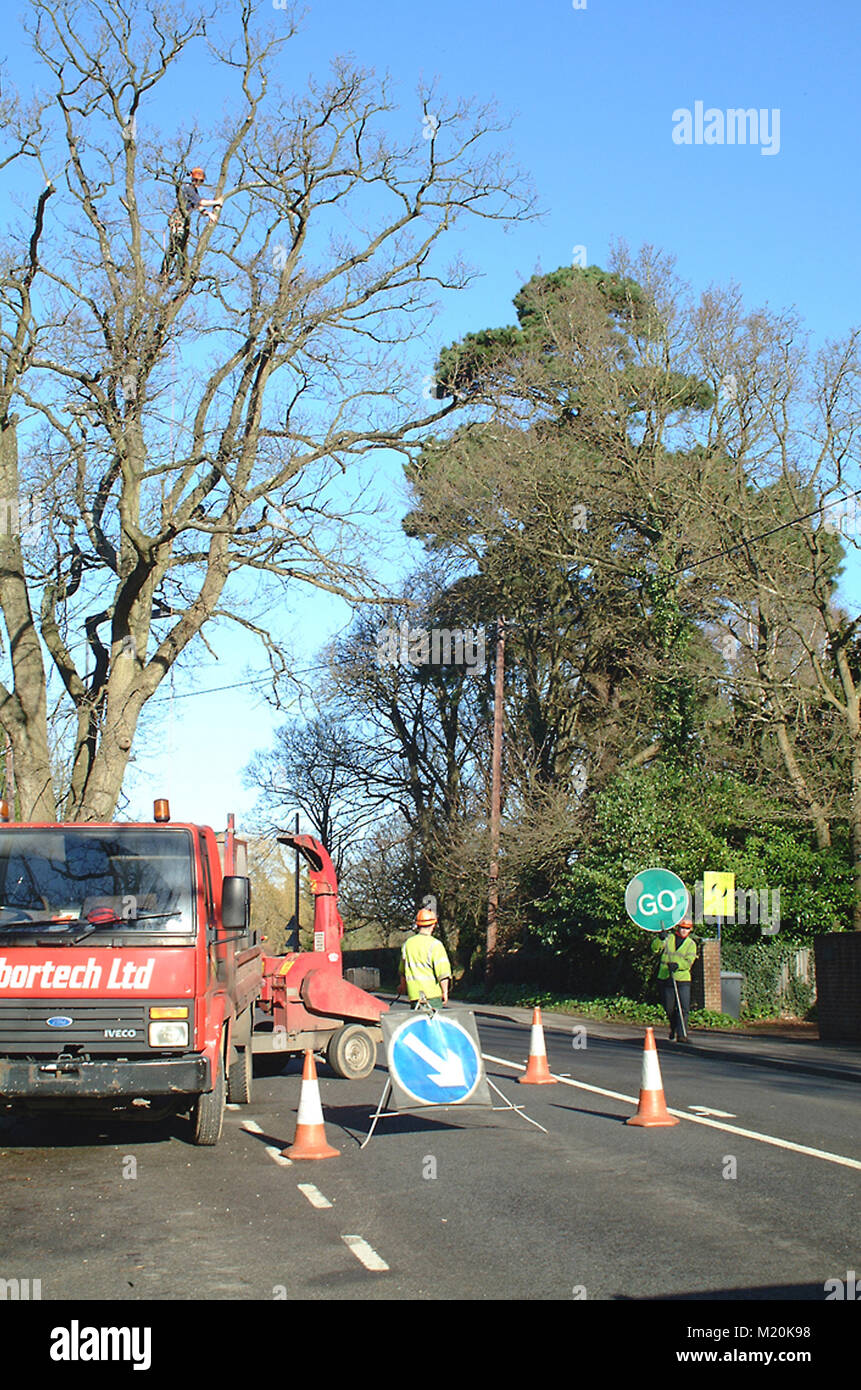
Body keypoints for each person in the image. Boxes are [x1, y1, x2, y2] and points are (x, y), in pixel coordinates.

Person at [160, 167, 223, 284]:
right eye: (197, 180)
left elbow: (198, 206)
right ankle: (164, 273)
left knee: (182, 245)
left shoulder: (193, 191)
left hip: (183, 219)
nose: (198, 183)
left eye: (200, 181)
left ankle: (181, 271)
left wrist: (208, 214)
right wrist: (216, 202)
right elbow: (201, 202)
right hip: (178, 218)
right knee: (176, 244)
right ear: (193, 179)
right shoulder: (188, 189)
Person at [652, 917, 697, 1042]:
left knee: (684, 1008)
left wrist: (678, 965)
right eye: (682, 928)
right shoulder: (669, 938)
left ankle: (682, 1035)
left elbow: (689, 962)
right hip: (666, 978)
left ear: (690, 930)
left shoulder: (691, 944)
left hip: (682, 979)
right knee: (669, 1008)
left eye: (687, 929)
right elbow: (655, 949)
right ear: (678, 927)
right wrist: (660, 938)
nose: (684, 931)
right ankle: (673, 1026)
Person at [399, 906, 452, 1009]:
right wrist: (445, 992)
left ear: (418, 925)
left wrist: (402, 986)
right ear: (433, 925)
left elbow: (402, 971)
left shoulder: (407, 944)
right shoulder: (435, 945)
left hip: (414, 996)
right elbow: (443, 973)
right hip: (433, 997)